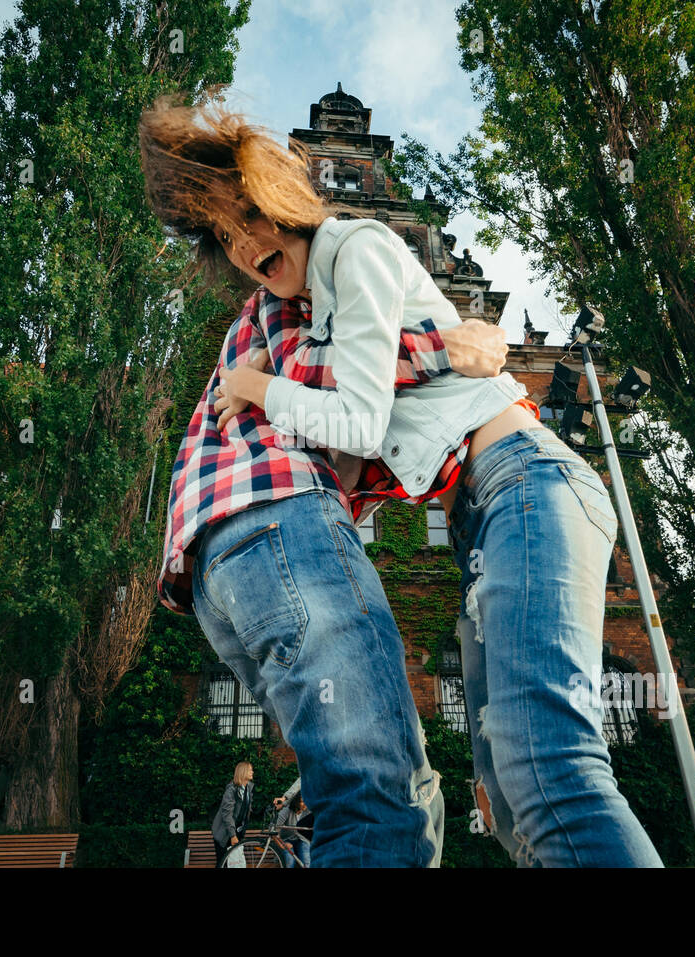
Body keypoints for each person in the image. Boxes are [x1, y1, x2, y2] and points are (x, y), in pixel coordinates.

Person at [141, 91, 660, 867]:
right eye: (224, 236)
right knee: (511, 801)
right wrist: (447, 347)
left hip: (525, 482)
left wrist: (253, 388)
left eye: (249, 216)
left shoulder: (357, 247)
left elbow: (351, 415)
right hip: (490, 515)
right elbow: (358, 396)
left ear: (283, 195)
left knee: (549, 774)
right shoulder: (308, 314)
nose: (245, 247)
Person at [211, 761, 255, 867]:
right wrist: (233, 835)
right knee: (223, 863)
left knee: (235, 864)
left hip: (236, 831)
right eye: (250, 770)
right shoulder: (231, 790)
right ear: (243, 772)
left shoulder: (248, 789)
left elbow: (245, 811)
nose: (252, 772)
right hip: (224, 833)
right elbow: (227, 814)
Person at [273, 793, 312, 869]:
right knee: (290, 862)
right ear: (296, 802)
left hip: (301, 840)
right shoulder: (286, 811)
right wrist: (282, 845)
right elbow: (274, 830)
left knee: (306, 862)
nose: (305, 804)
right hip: (286, 840)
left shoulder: (308, 812)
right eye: (302, 802)